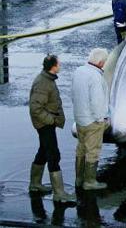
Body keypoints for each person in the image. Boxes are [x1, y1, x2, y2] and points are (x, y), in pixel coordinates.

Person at [29, 54, 76, 204]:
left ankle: (35, 185)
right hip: (44, 124)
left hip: (46, 123)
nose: (60, 66)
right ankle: (59, 194)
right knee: (53, 155)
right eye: (59, 64)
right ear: (53, 66)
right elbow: (35, 108)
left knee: (43, 151)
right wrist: (51, 120)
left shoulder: (47, 79)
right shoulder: (43, 83)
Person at [72, 48, 110, 191]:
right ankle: (90, 182)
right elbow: (97, 102)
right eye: (104, 62)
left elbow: (73, 94)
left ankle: (79, 179)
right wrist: (101, 119)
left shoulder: (79, 72)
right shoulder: (96, 77)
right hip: (92, 121)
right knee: (93, 150)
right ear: (100, 63)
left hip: (80, 119)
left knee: (81, 148)